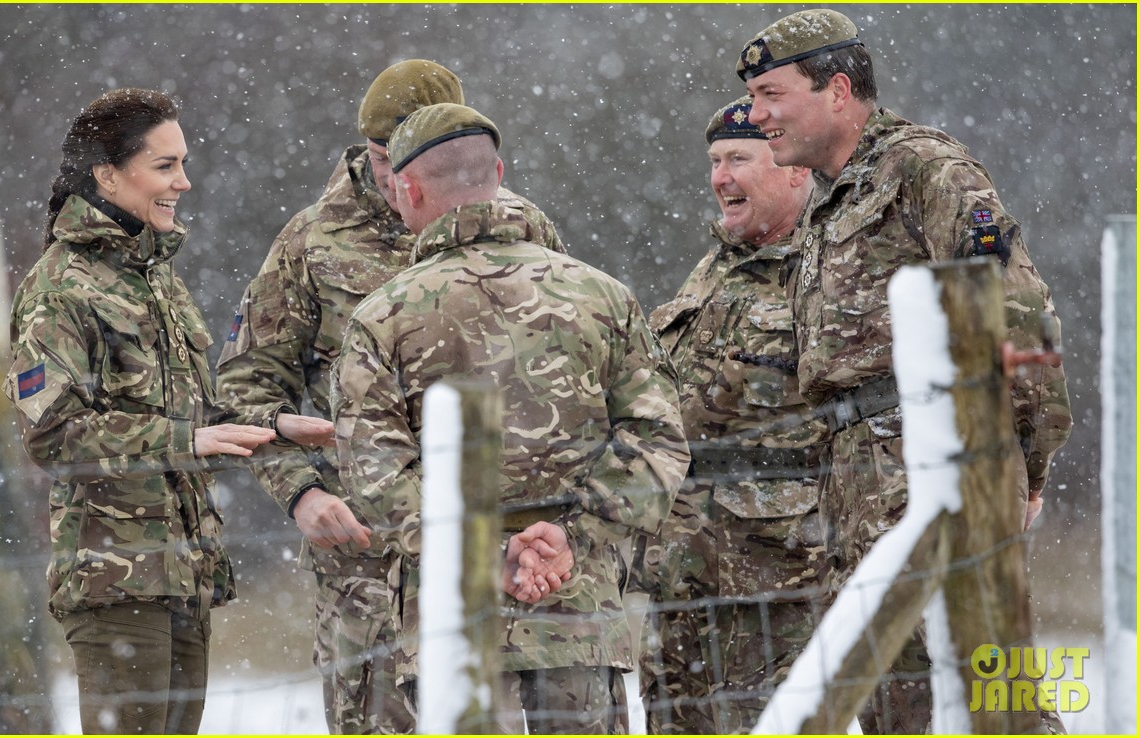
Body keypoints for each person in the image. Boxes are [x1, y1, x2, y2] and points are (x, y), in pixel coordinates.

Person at [737, 9, 1073, 733]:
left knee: (994, 705)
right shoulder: (829, 202)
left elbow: (1020, 316)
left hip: (939, 469)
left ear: (835, 91)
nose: (755, 115)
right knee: (899, 714)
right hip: (853, 481)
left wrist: (1025, 462)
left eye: (770, 93)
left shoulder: (923, 169)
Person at [214, 59, 565, 734]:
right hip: (369, 556)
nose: (393, 172)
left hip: (500, 540)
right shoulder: (314, 241)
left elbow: (563, 367)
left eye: (412, 154)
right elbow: (245, 384)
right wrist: (300, 493)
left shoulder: (520, 227)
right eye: (380, 155)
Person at [328, 103, 691, 733]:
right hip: (576, 614)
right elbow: (656, 441)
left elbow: (375, 472)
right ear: (498, 170)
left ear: (406, 190)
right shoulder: (603, 297)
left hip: (453, 625)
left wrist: (484, 559)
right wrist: (569, 543)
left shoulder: (383, 316)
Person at [2, 88, 277, 734]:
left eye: (182, 163)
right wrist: (187, 440)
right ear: (106, 174)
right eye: (165, 166)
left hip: (183, 574)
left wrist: (272, 427)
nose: (184, 181)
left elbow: (186, 414)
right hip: (115, 583)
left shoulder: (154, 276)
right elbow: (53, 435)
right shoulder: (61, 285)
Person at [631, 96, 828, 734]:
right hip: (683, 580)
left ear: (796, 168)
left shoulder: (833, 269)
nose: (721, 177)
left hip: (778, 585)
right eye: (715, 161)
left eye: (739, 158)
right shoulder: (716, 271)